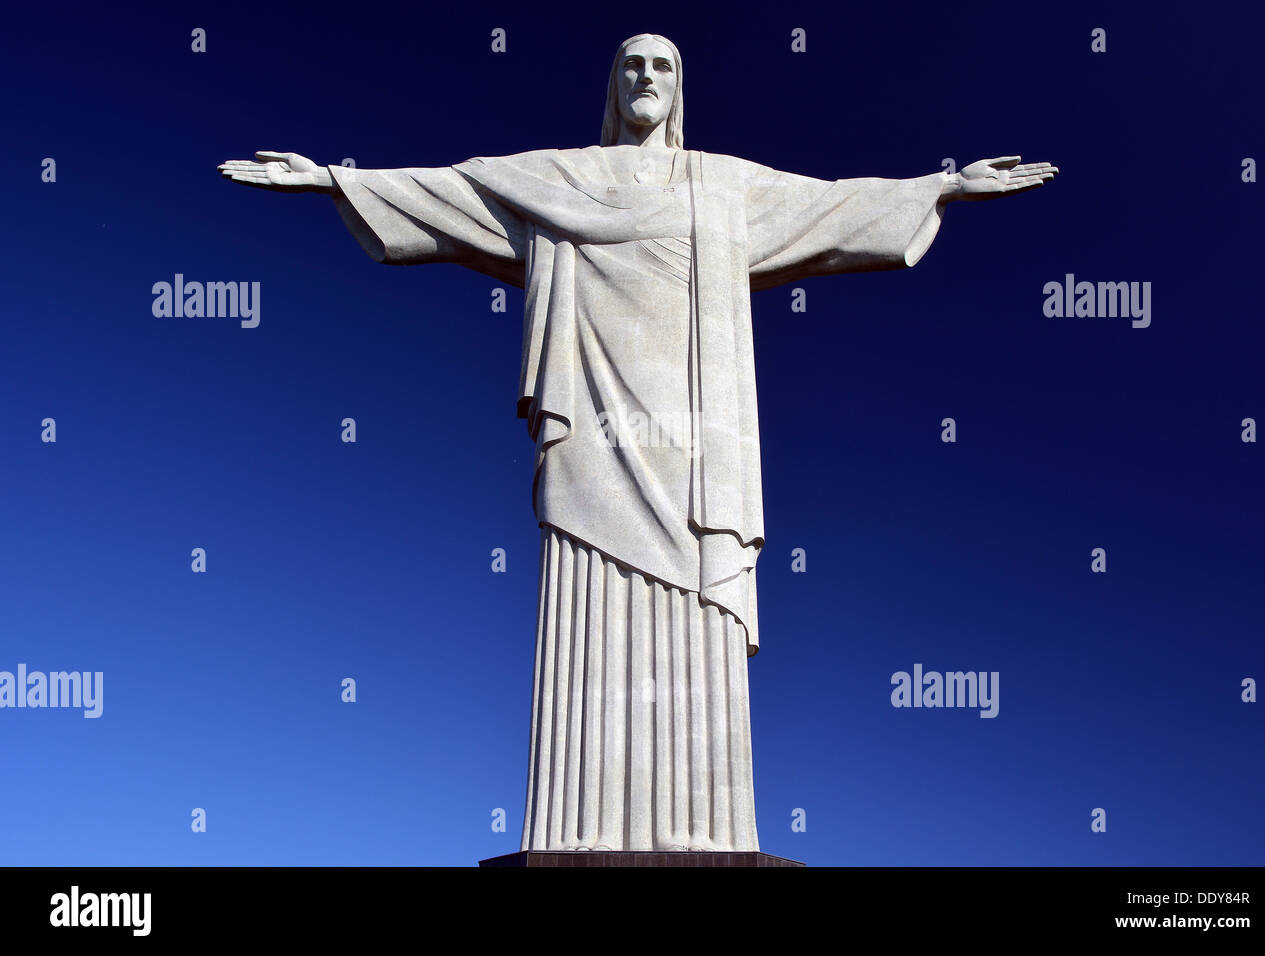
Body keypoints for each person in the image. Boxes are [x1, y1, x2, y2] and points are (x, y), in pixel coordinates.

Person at [220, 33, 1056, 852]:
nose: (646, 77)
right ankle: (574, 829)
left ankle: (708, 832)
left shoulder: (723, 186)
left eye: (662, 65)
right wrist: (336, 178)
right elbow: (454, 192)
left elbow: (832, 204)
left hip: (697, 451)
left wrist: (940, 185)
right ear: (612, 84)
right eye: (632, 65)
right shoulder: (558, 178)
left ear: (679, 87)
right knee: (589, 599)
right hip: (591, 427)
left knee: (699, 602)